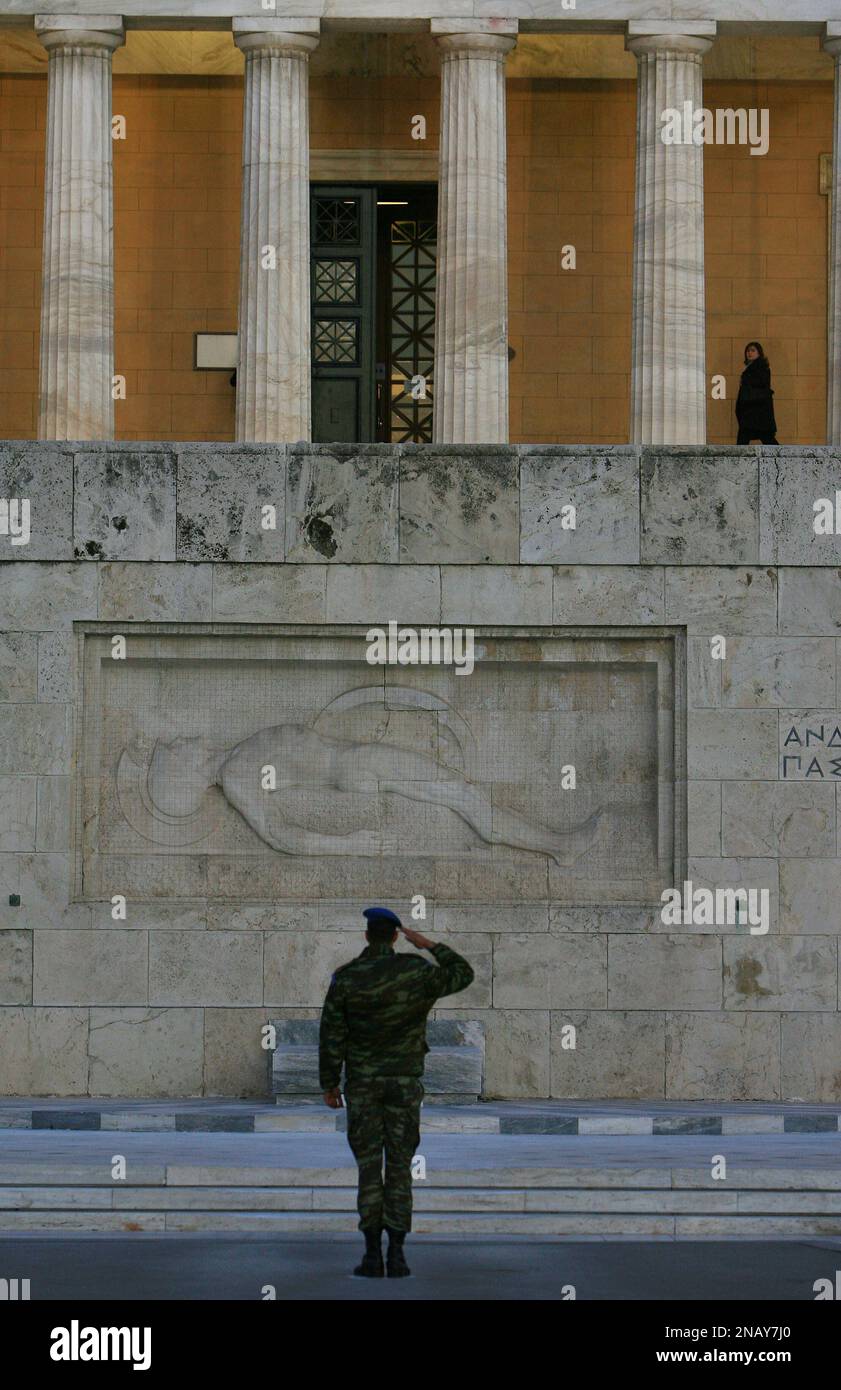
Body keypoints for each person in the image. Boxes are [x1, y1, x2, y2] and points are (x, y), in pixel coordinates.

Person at [318, 905, 474, 1278]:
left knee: (369, 1167)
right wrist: (427, 944)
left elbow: (331, 1034)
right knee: (400, 1166)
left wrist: (329, 1083)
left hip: (363, 1086)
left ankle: (372, 1255)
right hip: (403, 1085)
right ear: (394, 937)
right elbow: (463, 974)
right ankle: (399, 1255)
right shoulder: (416, 972)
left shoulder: (348, 977)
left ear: (366, 936)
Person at [736, 341, 779, 444]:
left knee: (746, 438)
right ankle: (784, 458)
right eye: (748, 350)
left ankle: (785, 458)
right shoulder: (753, 368)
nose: (749, 353)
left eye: (753, 350)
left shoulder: (760, 368)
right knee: (766, 438)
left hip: (755, 412)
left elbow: (760, 386)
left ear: (759, 353)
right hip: (754, 413)